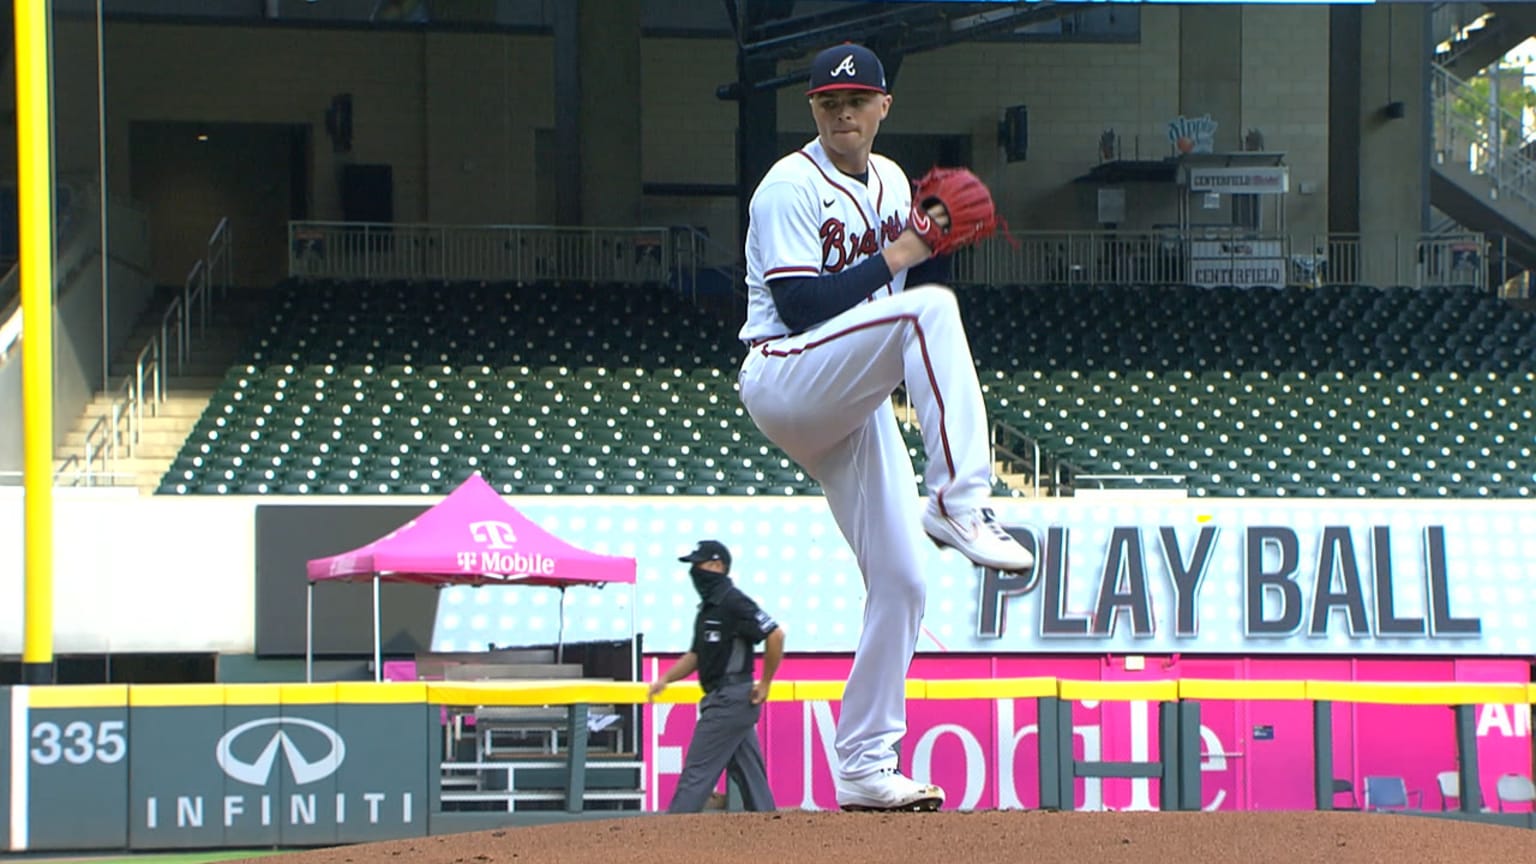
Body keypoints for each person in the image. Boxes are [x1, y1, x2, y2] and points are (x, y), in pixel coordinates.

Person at [733, 42, 1035, 812]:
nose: (842, 112)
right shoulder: (788, 186)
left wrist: (919, 245)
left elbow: (885, 306)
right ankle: (960, 499)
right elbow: (801, 307)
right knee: (930, 308)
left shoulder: (895, 181)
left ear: (882, 107)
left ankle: (866, 763)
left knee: (902, 580)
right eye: (828, 102)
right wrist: (908, 248)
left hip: (846, 398)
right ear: (813, 110)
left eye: (856, 100)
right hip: (785, 372)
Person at [650, 540, 786, 813]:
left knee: (696, 774)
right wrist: (665, 679)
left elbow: (775, 634)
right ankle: (771, 832)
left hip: (730, 698)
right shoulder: (709, 608)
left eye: (698, 564)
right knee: (751, 777)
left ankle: (668, 839)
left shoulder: (733, 602)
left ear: (717, 566)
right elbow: (696, 656)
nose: (694, 571)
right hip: (729, 701)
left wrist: (766, 682)